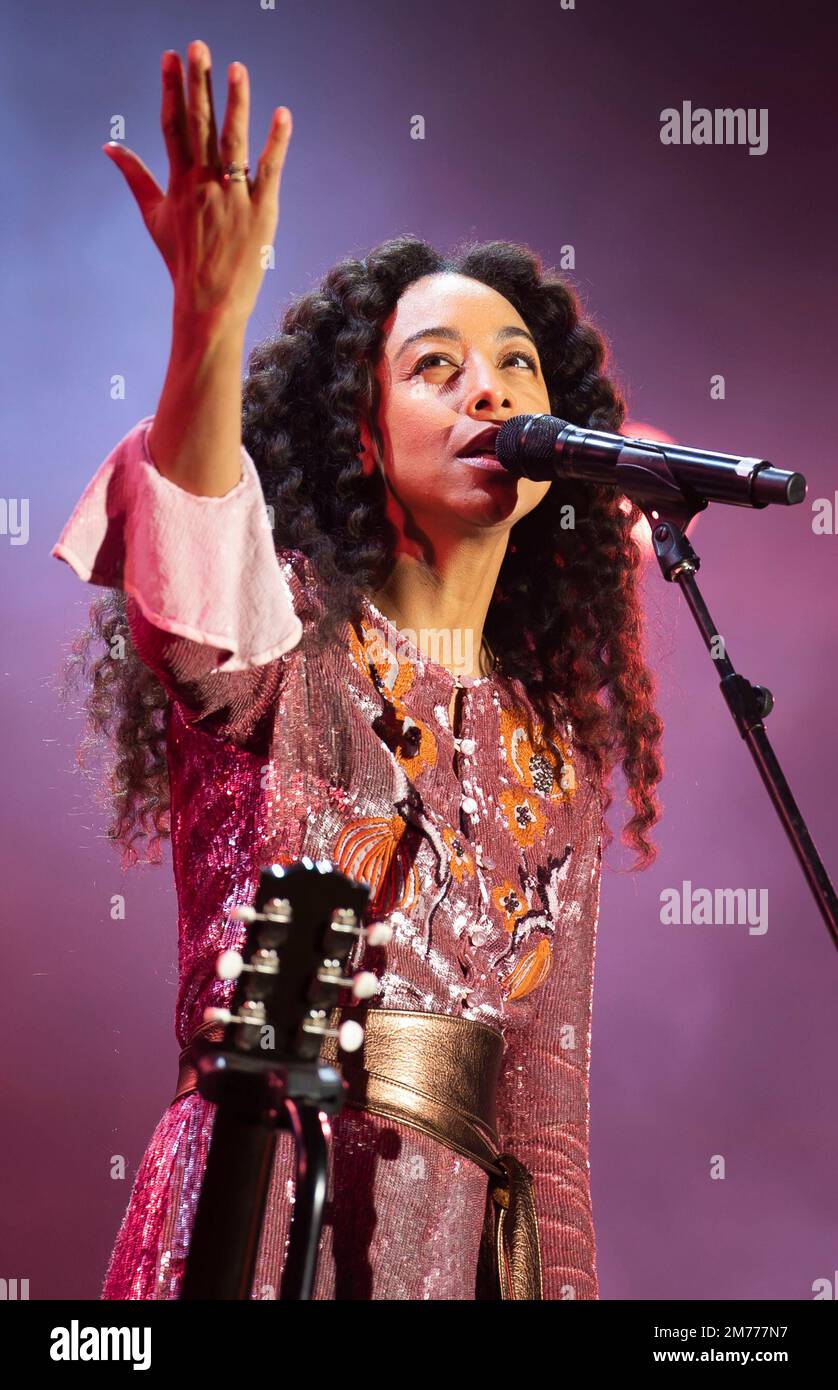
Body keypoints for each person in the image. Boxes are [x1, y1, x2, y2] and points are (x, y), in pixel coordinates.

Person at [53, 39, 663, 1300]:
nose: (487, 387)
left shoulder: (557, 760)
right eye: (434, 366)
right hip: (257, 1207)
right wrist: (207, 319)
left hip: (452, 1257)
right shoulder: (292, 659)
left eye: (516, 365)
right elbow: (195, 573)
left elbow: (547, 1133)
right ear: (363, 437)